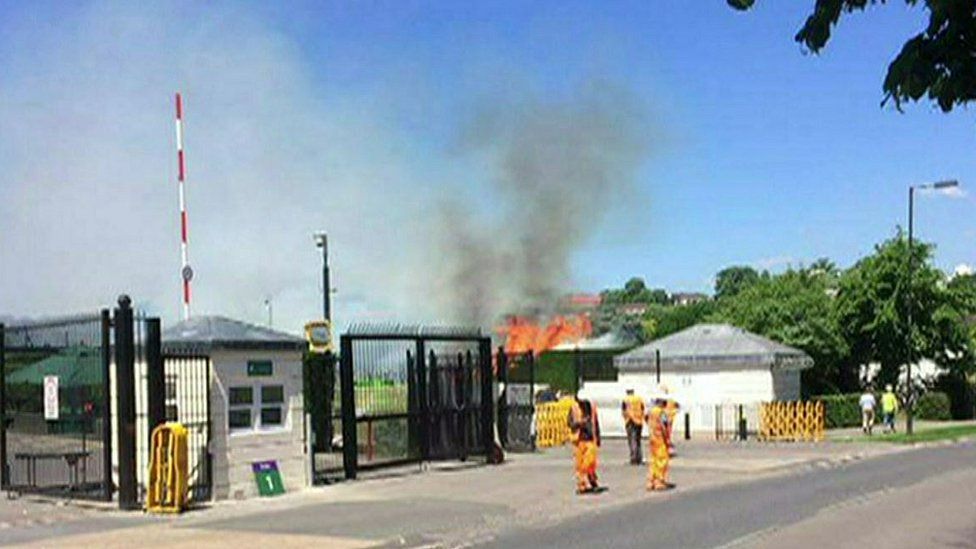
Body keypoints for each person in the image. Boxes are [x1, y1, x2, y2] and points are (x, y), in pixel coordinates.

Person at [568, 396, 601, 494]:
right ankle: (582, 485)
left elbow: (596, 423)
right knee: (580, 465)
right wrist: (579, 423)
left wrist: (598, 438)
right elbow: (569, 423)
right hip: (579, 440)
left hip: (590, 440)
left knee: (589, 463)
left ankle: (592, 481)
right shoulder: (574, 408)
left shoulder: (592, 408)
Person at [646, 396, 673, 492]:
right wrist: (667, 439)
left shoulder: (651, 411)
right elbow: (663, 426)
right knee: (662, 460)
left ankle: (651, 481)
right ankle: (659, 481)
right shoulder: (661, 413)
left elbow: (647, 420)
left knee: (653, 460)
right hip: (660, 439)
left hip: (652, 438)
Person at [621, 389, 645, 465]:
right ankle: (639, 458)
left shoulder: (626, 400)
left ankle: (633, 458)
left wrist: (626, 419)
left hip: (630, 421)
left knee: (632, 440)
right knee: (638, 441)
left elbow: (624, 410)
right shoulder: (639, 399)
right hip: (639, 421)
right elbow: (643, 409)